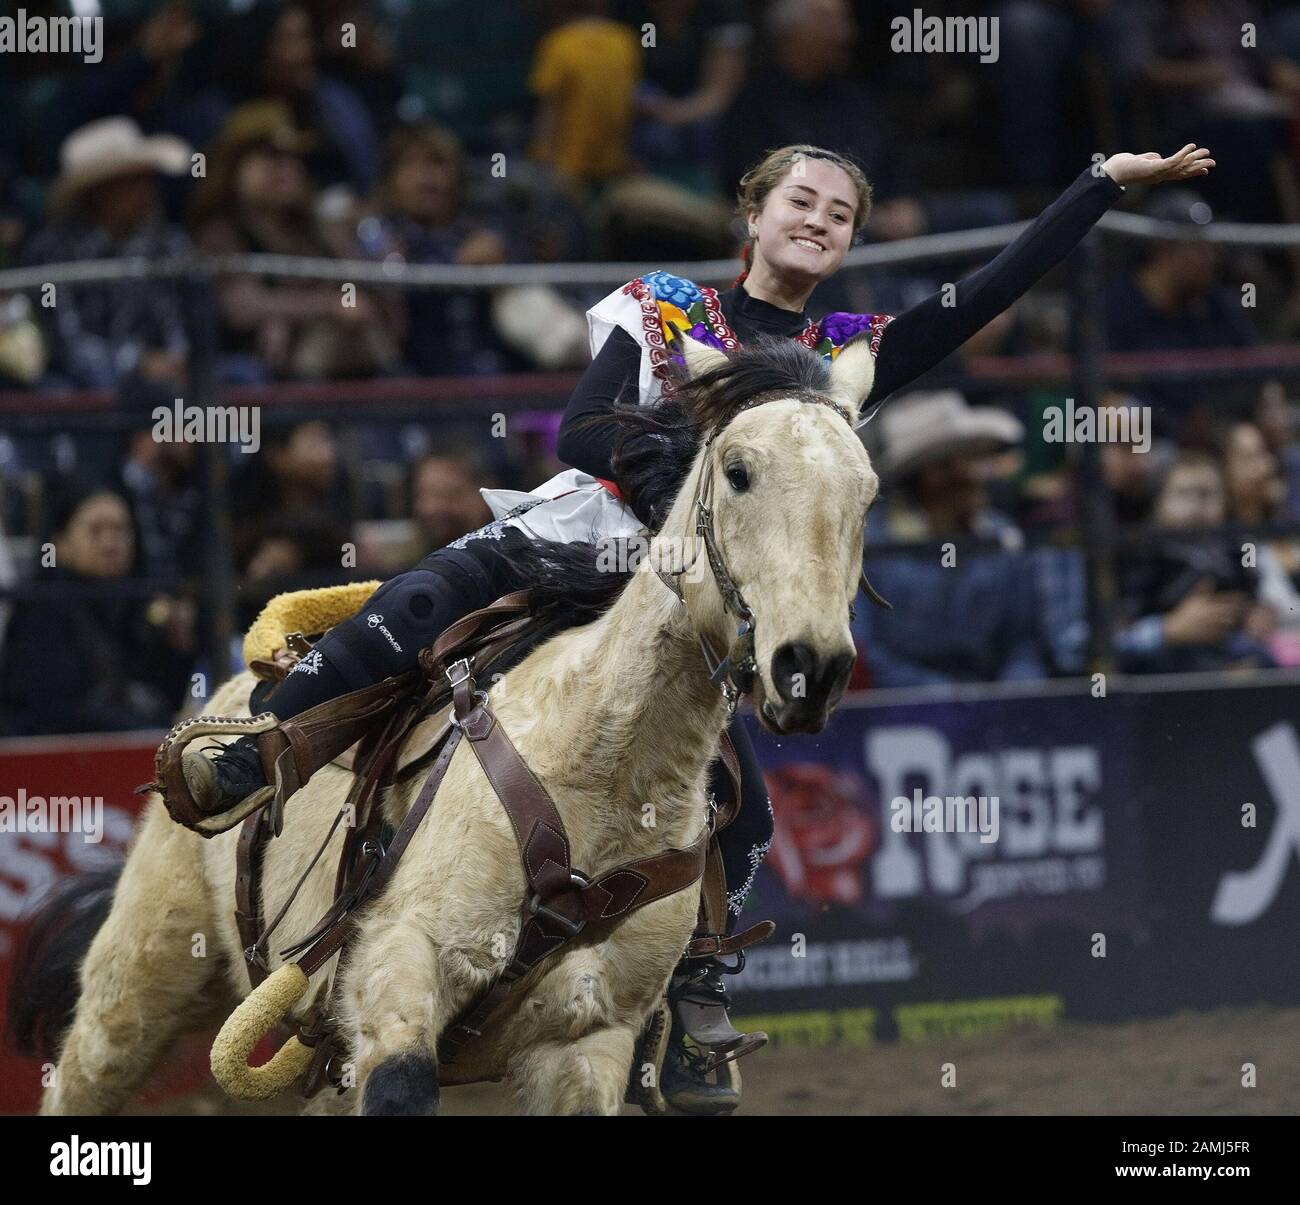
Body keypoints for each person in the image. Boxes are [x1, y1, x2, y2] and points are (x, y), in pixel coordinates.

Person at [184, 139, 1214, 1110]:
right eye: (800, 201)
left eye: (839, 213)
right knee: (414, 602)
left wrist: (1098, 185)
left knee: (745, 809)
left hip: (698, 605)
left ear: (850, 241)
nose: (818, 219)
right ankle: (262, 747)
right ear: (754, 217)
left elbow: (987, 293)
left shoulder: (843, 355)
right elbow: (583, 425)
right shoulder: (666, 307)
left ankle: (692, 995)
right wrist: (677, 478)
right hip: (588, 538)